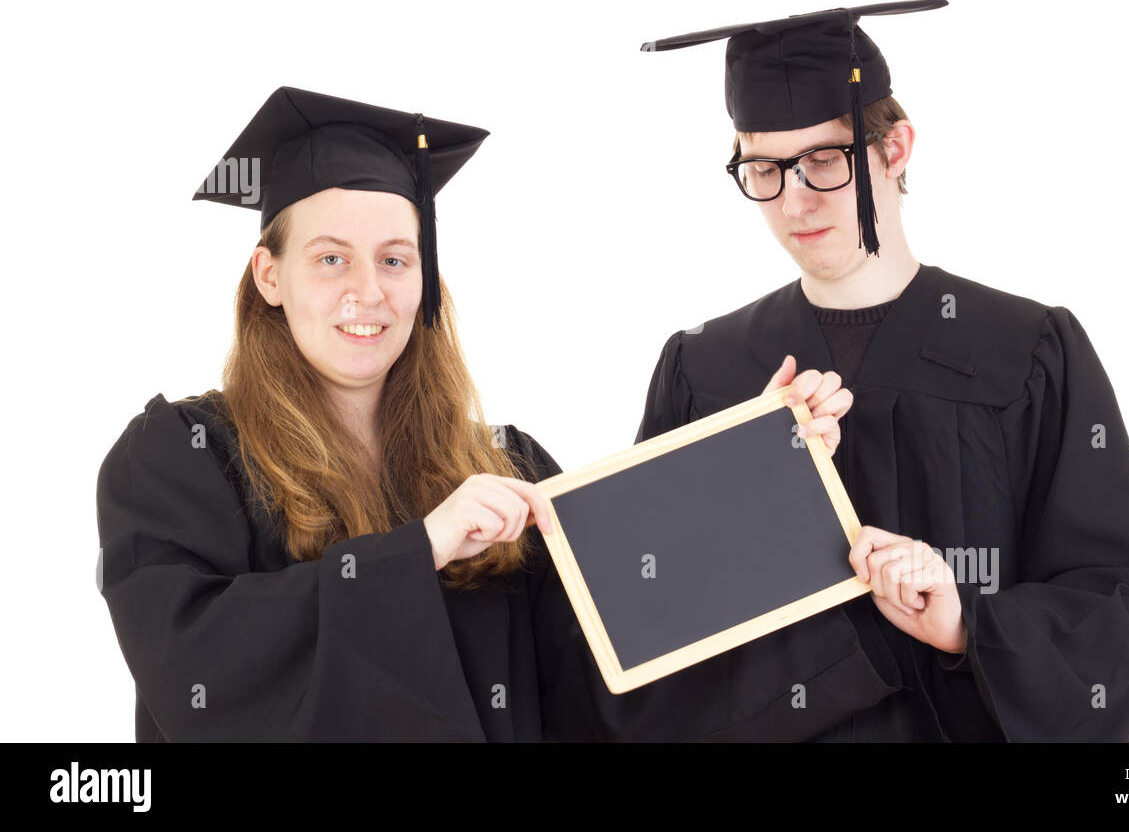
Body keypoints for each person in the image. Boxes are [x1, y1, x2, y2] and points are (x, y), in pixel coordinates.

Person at [95, 86, 885, 742]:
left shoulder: (501, 467)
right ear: (269, 274)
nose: (367, 292)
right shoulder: (183, 459)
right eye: (330, 257)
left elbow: (609, 672)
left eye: (395, 260)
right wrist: (420, 551)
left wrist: (758, 467)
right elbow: (194, 664)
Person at [636, 0, 1129, 741]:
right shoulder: (707, 367)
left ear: (895, 149)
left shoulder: (1026, 349)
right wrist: (743, 478)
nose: (795, 199)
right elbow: (640, 610)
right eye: (764, 168)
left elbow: (1117, 589)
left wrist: (968, 626)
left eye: (824, 159)